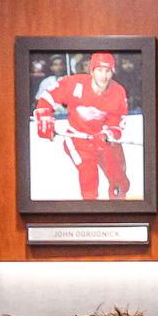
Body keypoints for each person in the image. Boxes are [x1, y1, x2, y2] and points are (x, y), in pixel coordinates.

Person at [31, 50, 133, 202]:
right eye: (99, 70)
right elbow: (48, 97)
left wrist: (107, 135)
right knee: (89, 176)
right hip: (78, 139)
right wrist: (44, 116)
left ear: (113, 72)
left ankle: (119, 213)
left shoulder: (118, 92)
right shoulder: (75, 84)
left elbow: (116, 122)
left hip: (104, 141)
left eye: (108, 71)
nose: (103, 76)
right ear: (91, 70)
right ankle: (91, 216)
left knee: (119, 179)